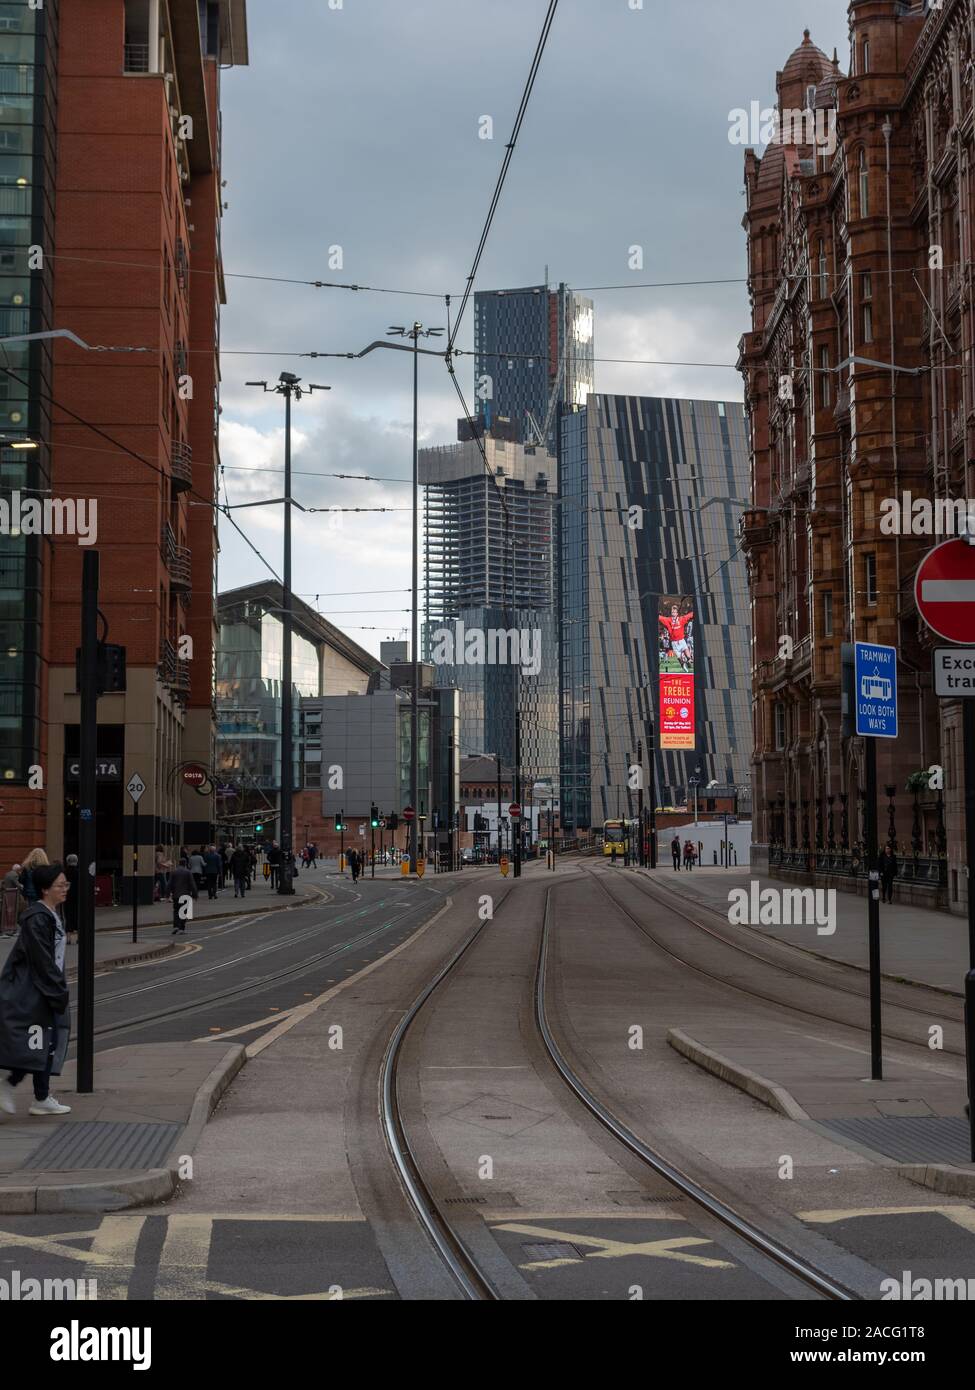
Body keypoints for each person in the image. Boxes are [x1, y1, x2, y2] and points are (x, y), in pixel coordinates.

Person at [0, 862, 72, 1116]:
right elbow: (42, 961)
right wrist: (58, 991)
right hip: (34, 991)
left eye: (66, 884)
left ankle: (40, 1098)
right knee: (38, 1043)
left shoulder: (51, 914)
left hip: (43, 988)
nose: (65, 889)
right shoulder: (38, 918)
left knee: (46, 1042)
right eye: (60, 885)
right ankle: (9, 1085)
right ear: (45, 889)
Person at [169, 857, 197, 936]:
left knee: (176, 911)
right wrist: (195, 895)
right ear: (185, 864)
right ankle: (181, 928)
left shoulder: (174, 872)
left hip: (176, 895)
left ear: (179, 863)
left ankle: (176, 926)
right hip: (185, 895)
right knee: (183, 912)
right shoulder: (188, 872)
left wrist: (167, 895)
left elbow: (169, 884)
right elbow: (192, 884)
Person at [1, 864, 23, 938]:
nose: (20, 872)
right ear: (17, 870)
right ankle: (12, 929)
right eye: (20, 870)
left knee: (7, 912)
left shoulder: (7, 873)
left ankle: (10, 929)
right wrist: (22, 886)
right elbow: (17, 884)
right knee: (13, 911)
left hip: (6, 894)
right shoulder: (15, 875)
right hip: (12, 896)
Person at [63, 854, 80, 945]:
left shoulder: (64, 872)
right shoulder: (79, 872)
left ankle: (68, 938)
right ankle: (78, 938)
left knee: (68, 916)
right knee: (77, 916)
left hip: (67, 897)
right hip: (77, 897)